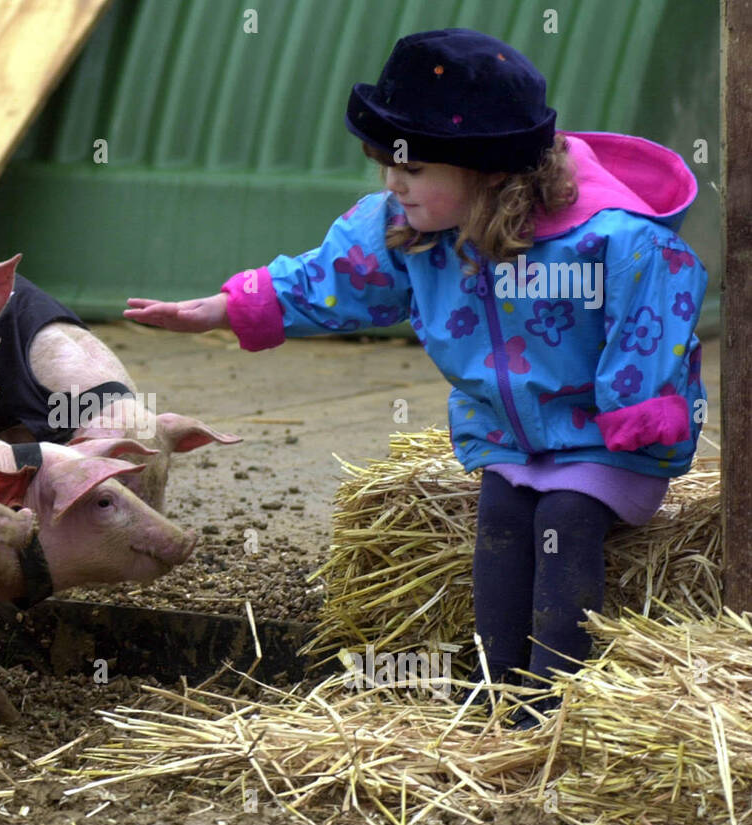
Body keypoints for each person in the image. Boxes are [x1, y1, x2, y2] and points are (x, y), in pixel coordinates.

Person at [124, 28, 707, 727]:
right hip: (511, 442)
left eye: (414, 166)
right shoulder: (416, 229)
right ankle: (496, 691)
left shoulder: (611, 237)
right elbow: (331, 276)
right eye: (386, 163)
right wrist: (226, 308)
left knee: (563, 519)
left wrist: (636, 408)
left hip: (606, 441)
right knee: (499, 522)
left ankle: (553, 710)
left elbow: (657, 309)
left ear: (490, 169)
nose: (393, 182)